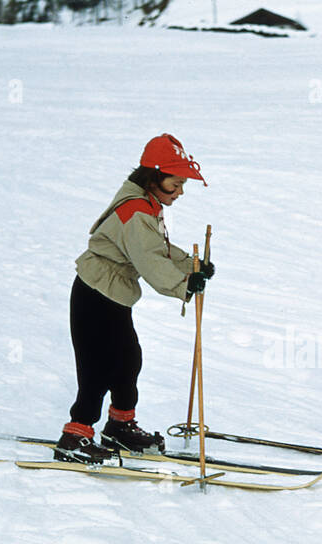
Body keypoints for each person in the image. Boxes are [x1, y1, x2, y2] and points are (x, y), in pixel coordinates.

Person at [55, 133, 213, 463]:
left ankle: (119, 427)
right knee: (97, 368)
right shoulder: (137, 212)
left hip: (112, 293)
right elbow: (151, 262)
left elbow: (160, 249)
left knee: (128, 359)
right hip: (95, 294)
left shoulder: (145, 203)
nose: (180, 191)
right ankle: (75, 436)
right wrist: (185, 283)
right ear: (154, 176)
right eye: (176, 183)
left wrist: (192, 265)